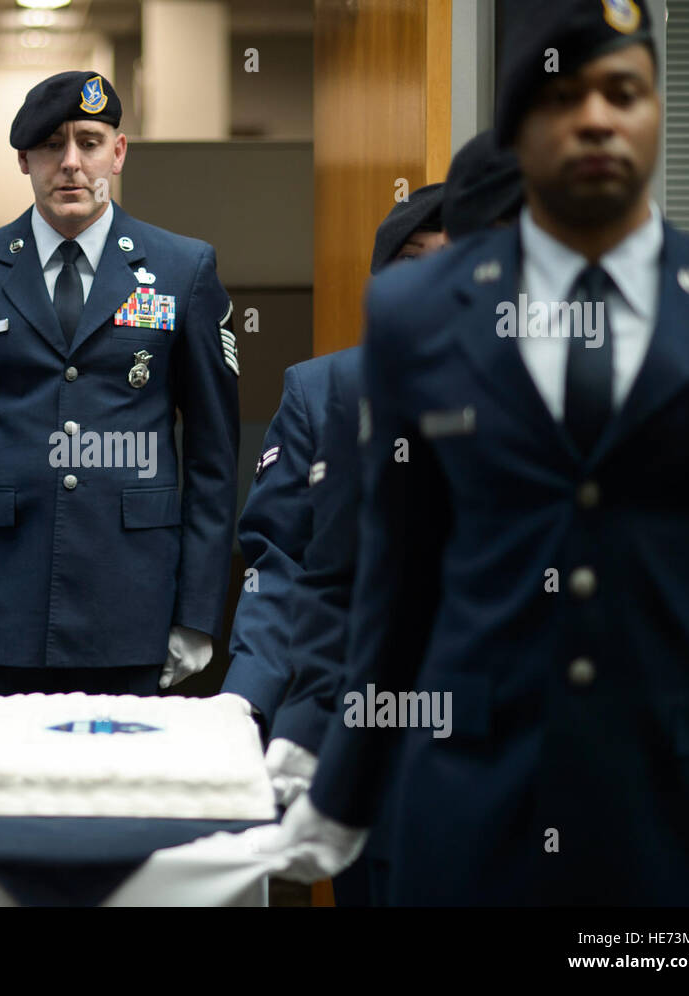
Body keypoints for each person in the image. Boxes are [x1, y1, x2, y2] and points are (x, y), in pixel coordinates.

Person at [252, 0, 689, 905]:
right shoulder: (416, 323)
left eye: (624, 91)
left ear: (657, 113)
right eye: (564, 96)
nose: (597, 116)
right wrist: (341, 789)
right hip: (480, 808)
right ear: (521, 129)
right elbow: (388, 590)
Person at [0, 71, 240, 695]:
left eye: (89, 142)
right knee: (5, 791)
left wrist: (198, 612)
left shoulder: (181, 268)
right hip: (1, 605)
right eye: (50, 145)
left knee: (127, 791)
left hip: (136, 602)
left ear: (117, 152)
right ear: (23, 159)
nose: (70, 163)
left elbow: (213, 457)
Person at [221, 183, 447, 907]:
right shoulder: (329, 390)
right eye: (413, 262)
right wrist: (252, 705)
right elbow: (284, 559)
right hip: (365, 720)